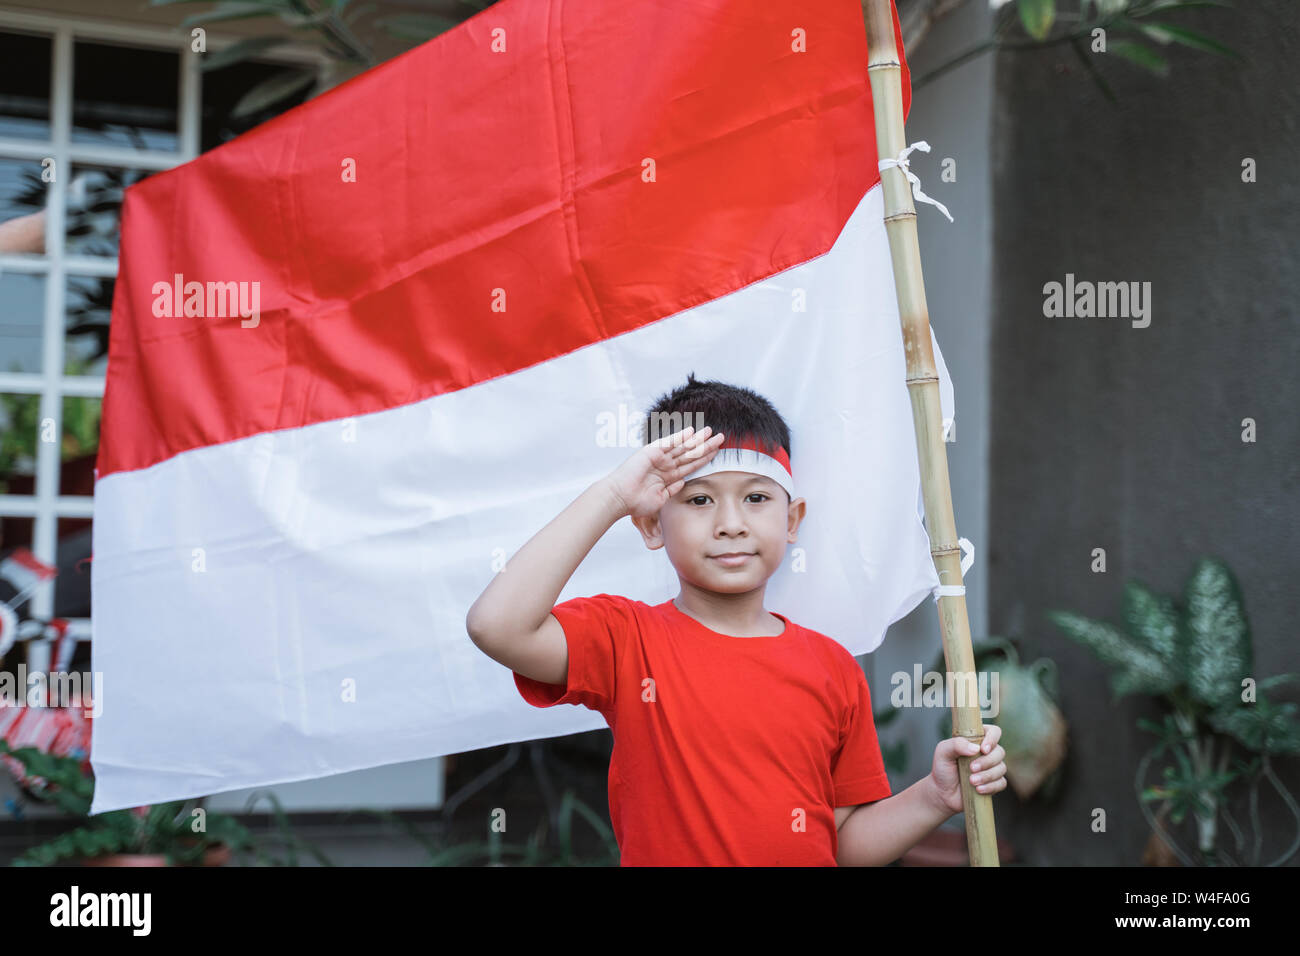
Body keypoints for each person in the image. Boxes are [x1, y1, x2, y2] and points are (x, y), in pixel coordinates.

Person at [466, 373, 1006, 865]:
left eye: (754, 498)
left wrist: (934, 799)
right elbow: (497, 625)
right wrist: (612, 496)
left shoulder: (833, 669)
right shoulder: (628, 642)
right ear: (652, 525)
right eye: (699, 500)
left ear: (791, 519)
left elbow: (841, 844)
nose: (730, 524)